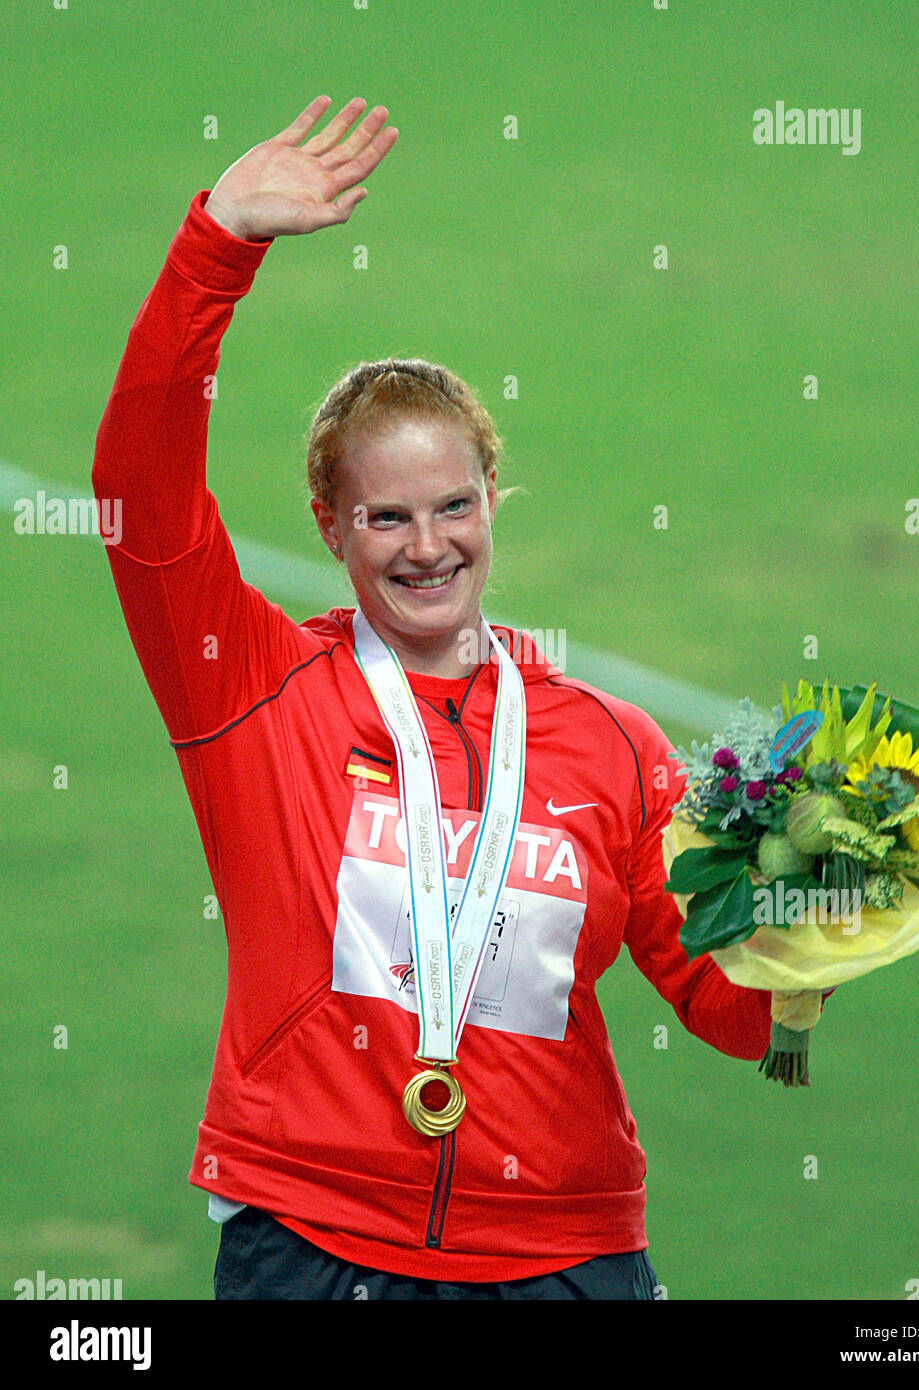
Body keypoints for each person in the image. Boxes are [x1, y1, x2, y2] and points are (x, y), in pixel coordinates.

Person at [93, 95, 776, 1301]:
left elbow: (729, 1008)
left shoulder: (609, 745)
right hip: (316, 1243)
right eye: (385, 516)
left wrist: (820, 931)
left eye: (452, 506)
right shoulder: (258, 693)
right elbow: (139, 500)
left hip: (567, 1257)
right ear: (330, 528)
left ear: (492, 503)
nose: (425, 548)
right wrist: (217, 246)